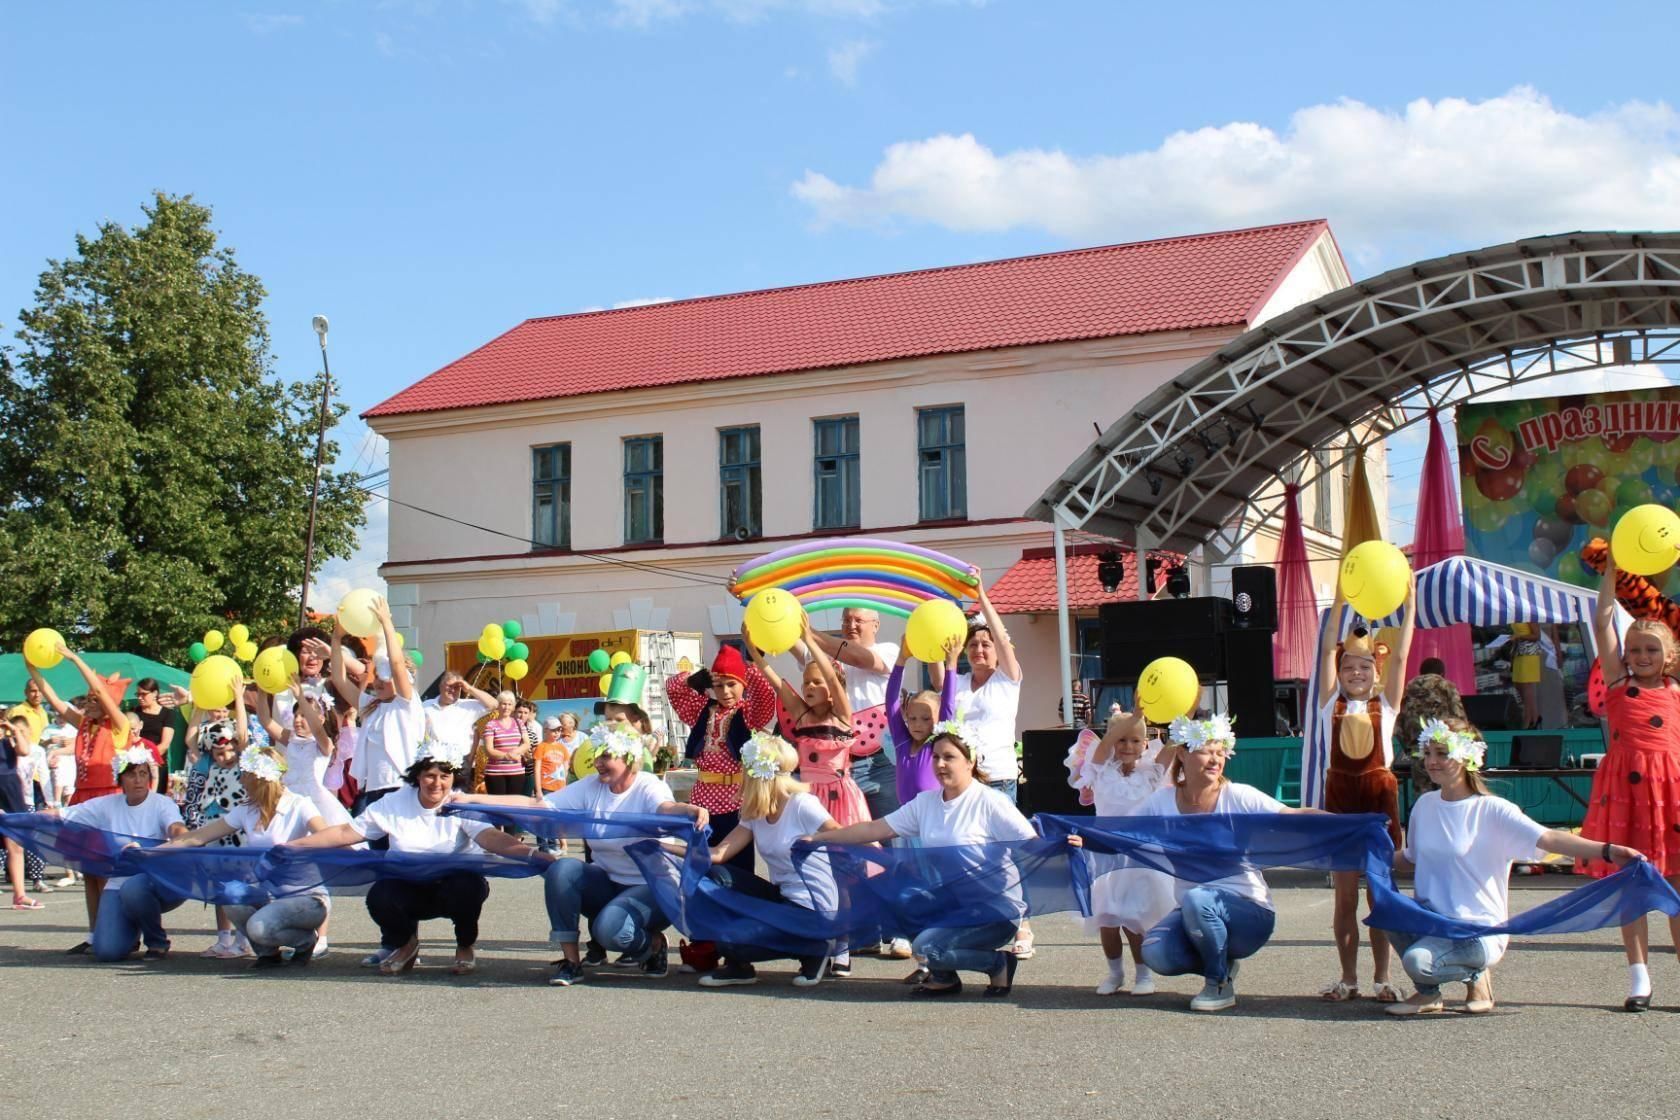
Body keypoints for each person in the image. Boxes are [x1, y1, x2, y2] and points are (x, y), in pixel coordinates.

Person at [1382, 718, 1645, 1015]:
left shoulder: (1493, 810)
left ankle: (1476, 973)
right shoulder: (1424, 805)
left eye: (1442, 753)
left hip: (1476, 930)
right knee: (1387, 912)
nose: (1431, 761)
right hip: (1433, 922)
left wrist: (1608, 851)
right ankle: (1428, 994)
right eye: (1427, 753)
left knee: (1418, 961)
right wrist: (1368, 859)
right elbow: (1411, 858)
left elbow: (1548, 838)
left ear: (1467, 757)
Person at [451, 721, 706, 987]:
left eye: (606, 756)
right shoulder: (591, 786)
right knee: (562, 869)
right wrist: (471, 800)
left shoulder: (647, 785)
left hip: (652, 887)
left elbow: (665, 807)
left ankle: (652, 945)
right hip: (609, 882)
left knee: (608, 930)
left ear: (629, 757)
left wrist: (688, 810)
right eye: (596, 756)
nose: (598, 763)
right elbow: (537, 805)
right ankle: (571, 962)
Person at [807, 722, 1037, 998]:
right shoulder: (926, 803)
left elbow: (1032, 844)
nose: (940, 764)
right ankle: (944, 977)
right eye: (936, 757)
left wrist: (1066, 843)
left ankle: (997, 963)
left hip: (993, 911)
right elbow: (873, 829)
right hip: (950, 904)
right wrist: (820, 839)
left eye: (949, 757)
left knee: (926, 949)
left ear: (970, 760)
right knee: (901, 898)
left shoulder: (991, 802)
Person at [286, 738, 551, 976]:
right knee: (379, 896)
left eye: (444, 776)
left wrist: (532, 854)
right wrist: (296, 845)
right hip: (409, 885)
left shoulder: (460, 803)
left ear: (453, 778)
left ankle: (465, 945)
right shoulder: (394, 802)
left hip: (453, 885)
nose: (437, 783)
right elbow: (347, 832)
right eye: (430, 776)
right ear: (418, 776)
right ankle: (406, 944)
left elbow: (490, 838)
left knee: (467, 888)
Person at [1135, 713, 1324, 1012]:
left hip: (1249, 914)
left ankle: (1218, 984)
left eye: (1220, 752)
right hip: (1196, 912)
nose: (1215, 759)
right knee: (1155, 953)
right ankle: (1220, 963)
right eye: (1206, 750)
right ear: (1182, 754)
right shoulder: (1161, 802)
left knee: (1198, 899)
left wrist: (1348, 822)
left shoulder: (1238, 797)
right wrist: (1078, 836)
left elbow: (1293, 816)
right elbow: (1122, 831)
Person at [1578, 556, 1680, 1011]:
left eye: (1651, 651)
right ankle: (1639, 976)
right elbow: (1602, 618)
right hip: (1627, 791)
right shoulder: (1618, 683)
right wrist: (1613, 569)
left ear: (1669, 655)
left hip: (1671, 792)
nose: (1641, 657)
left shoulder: (1677, 689)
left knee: (1676, 885)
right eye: (1635, 649)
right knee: (1632, 882)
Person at [1313, 576, 1415, 1003]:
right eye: (1349, 667)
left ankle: (1382, 978)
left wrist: (1410, 606)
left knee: (1380, 896)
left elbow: (1404, 651)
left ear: (1377, 671)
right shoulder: (1327, 704)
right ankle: (1349, 977)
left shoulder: (1386, 704)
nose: (1356, 673)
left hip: (1377, 803)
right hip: (1340, 805)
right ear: (1340, 671)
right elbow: (1324, 650)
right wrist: (1339, 602)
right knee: (1343, 899)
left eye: (1365, 667)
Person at [927, 572, 1031, 956]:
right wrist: (935, 613)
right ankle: (979, 921)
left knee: (1003, 854)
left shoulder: (1008, 679)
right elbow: (939, 668)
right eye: (974, 645)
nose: (981, 650)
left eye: (986, 644)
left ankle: (1021, 924)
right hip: (964, 782)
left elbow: (1003, 638)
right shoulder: (962, 683)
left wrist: (980, 593)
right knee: (968, 856)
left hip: (999, 777)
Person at [159, 745, 333, 967]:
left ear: (259, 779)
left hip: (305, 897)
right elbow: (198, 836)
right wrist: (151, 851)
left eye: (245, 775)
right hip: (267, 892)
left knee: (258, 927)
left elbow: (328, 835)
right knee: (229, 894)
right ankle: (267, 952)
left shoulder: (300, 805)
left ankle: (305, 940)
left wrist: (291, 847)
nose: (241, 781)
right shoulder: (247, 809)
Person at [698, 732, 841, 989]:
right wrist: (666, 847)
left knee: (730, 942)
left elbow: (841, 834)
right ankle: (739, 966)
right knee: (715, 876)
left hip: (811, 907)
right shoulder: (756, 811)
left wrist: (816, 840)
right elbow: (719, 853)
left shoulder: (802, 805)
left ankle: (816, 946)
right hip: (781, 895)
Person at [1064, 709, 1179, 995]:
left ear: (1145, 743)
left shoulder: (1152, 773)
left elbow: (1175, 742)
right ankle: (1115, 973)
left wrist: (1184, 710)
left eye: (1135, 740)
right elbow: (1105, 746)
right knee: (1107, 919)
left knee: (1135, 919)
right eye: (1121, 739)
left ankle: (1144, 974)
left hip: (1140, 856)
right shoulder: (1100, 769)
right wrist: (1136, 713)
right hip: (1105, 853)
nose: (1127, 746)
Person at [28, 647, 135, 948]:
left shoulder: (119, 727)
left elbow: (101, 689)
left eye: (94, 698)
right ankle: (94, 934)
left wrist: (75, 659)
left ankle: (121, 933)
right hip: (82, 801)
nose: (89, 700)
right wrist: (32, 667)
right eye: (87, 698)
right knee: (89, 873)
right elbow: (52, 697)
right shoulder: (84, 725)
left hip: (108, 802)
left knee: (111, 873)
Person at [55, 747, 187, 960]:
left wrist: (180, 835)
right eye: (131, 774)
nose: (138, 780)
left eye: (143, 774)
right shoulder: (107, 805)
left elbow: (177, 829)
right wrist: (14, 818)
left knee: (133, 889)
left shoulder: (162, 804)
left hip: (162, 883)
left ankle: (157, 941)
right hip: (118, 884)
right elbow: (62, 814)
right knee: (107, 952)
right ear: (120, 779)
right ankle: (130, 929)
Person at [664, 648, 777, 872]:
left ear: (743, 685)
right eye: (719, 685)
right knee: (700, 861)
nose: (725, 692)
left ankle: (737, 903)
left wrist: (748, 667)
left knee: (738, 866)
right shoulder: (702, 710)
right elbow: (673, 689)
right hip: (701, 801)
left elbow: (765, 696)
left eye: (731, 684)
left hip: (736, 801)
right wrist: (694, 678)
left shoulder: (747, 713)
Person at [750, 617, 866, 827]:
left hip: (838, 796)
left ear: (832, 691)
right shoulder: (802, 716)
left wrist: (809, 641)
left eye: (816, 682)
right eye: (806, 683)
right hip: (807, 793)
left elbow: (832, 678)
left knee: (844, 850)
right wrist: (752, 649)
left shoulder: (841, 715)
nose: (809, 687)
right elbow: (776, 683)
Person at [792, 606, 901, 821]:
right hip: (835, 767)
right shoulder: (825, 658)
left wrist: (810, 633)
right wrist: (758, 601)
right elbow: (791, 641)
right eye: (846, 620)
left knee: (889, 837)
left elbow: (859, 658)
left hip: (878, 764)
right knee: (842, 841)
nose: (851, 626)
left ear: (876, 625)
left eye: (858, 620)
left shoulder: (888, 650)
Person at [181, 695, 255, 959]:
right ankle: (223, 938)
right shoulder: (208, 765)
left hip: (237, 833)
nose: (226, 756)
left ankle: (243, 939)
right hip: (214, 830)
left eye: (229, 750)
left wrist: (238, 700)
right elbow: (191, 737)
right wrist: (199, 704)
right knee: (219, 885)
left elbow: (243, 734)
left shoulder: (245, 763)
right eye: (219, 752)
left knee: (240, 885)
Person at [335, 599, 424, 815]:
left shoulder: (407, 703)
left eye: (386, 677)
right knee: (371, 847)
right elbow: (339, 679)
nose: (378, 682)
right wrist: (336, 638)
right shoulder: (371, 706)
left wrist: (386, 623)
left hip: (400, 788)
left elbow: (396, 664)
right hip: (371, 791)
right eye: (377, 676)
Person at [2, 713, 44, 910]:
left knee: (16, 845)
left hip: (11, 792)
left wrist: (14, 729)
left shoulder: (8, 740)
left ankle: (20, 895)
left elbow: (25, 750)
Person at [422, 671, 498, 776]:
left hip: (461, 762)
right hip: (433, 761)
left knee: (459, 793)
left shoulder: (467, 705)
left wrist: (469, 688)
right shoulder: (426, 706)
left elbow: (494, 705)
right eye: (449, 686)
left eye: (457, 687)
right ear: (441, 686)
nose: (453, 690)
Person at [476, 691, 529, 799]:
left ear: (513, 706)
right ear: (498, 705)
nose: (506, 707)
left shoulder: (519, 723)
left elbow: (527, 744)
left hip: (517, 772)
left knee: (514, 806)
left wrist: (516, 752)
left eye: (509, 704)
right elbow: (489, 750)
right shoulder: (490, 725)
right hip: (495, 774)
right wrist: (507, 756)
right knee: (497, 807)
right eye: (503, 704)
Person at [131, 679, 176, 778]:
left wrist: (146, 759)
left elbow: (165, 744)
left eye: (144, 694)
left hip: (157, 763)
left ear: (155, 693)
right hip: (135, 766)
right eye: (137, 694)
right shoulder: (134, 712)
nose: (140, 697)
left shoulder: (167, 714)